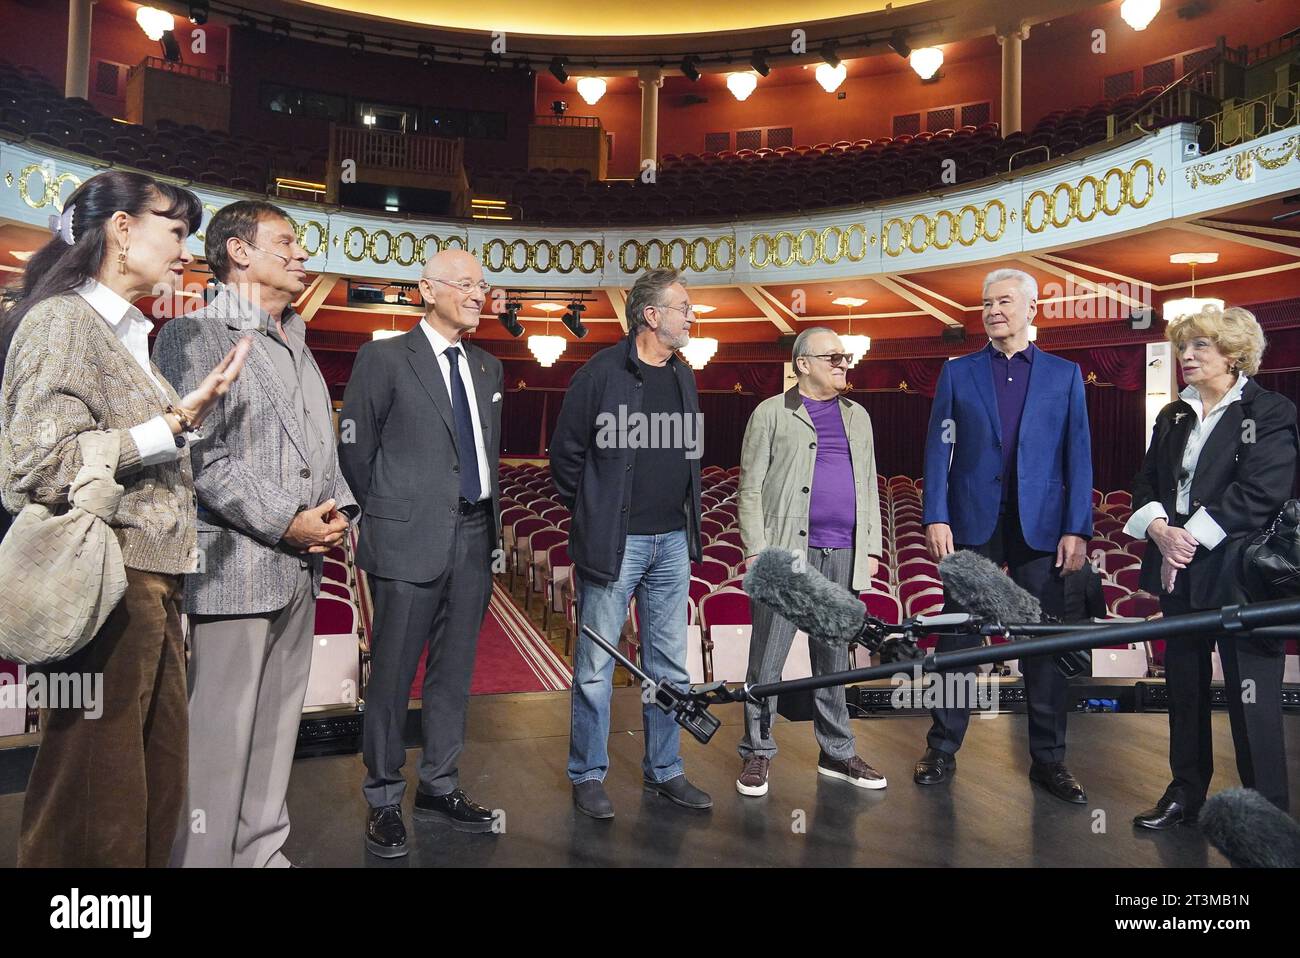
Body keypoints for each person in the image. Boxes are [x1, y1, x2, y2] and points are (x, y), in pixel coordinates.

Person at [0, 170, 249, 867]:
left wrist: (178, 423)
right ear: (121, 228)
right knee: (89, 801)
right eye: (175, 230)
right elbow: (35, 464)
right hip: (102, 582)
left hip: (150, 586)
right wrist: (171, 425)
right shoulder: (61, 321)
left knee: (148, 790)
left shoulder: (127, 331)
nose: (185, 250)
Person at [154, 200, 357, 868]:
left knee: (275, 728)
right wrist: (286, 521)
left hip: (302, 563)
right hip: (233, 567)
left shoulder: (296, 338)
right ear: (238, 251)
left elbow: (321, 447)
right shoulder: (192, 335)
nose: (302, 255)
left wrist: (335, 512)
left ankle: (261, 853)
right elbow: (202, 458)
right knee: (220, 735)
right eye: (287, 243)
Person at [338, 248, 503, 858]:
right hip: (406, 538)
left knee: (454, 674)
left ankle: (439, 784)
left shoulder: (488, 367)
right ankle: (382, 798)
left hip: (473, 536)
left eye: (482, 286)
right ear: (426, 291)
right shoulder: (383, 357)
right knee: (392, 677)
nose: (477, 294)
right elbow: (354, 447)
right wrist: (386, 511)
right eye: (464, 284)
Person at [918, 267, 1093, 803]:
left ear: (1032, 308)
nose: (993, 310)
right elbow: (936, 449)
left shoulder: (1065, 375)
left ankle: (1049, 761)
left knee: (1043, 640)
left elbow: (1079, 456)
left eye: (1004, 302)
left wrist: (1076, 527)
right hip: (971, 519)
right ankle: (942, 748)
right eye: (987, 303)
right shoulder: (957, 371)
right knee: (959, 638)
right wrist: (935, 515)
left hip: (1042, 526)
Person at [1126, 305, 1297, 828]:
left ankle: (1264, 813)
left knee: (1253, 700)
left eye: (1200, 346)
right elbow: (1147, 483)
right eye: (1183, 346)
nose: (1186, 355)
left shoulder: (1267, 411)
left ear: (1234, 353)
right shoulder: (1172, 414)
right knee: (1183, 685)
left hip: (1240, 574)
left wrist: (1186, 541)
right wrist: (1159, 530)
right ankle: (1186, 793)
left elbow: (1260, 493)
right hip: (1179, 568)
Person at [551, 267, 710, 819]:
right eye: (683, 307)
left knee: (670, 665)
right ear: (652, 315)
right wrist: (594, 511)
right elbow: (565, 456)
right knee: (596, 665)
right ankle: (588, 773)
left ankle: (665, 770)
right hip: (616, 545)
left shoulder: (684, 376)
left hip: (672, 544)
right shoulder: (600, 374)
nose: (692, 315)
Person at [735, 326, 886, 796]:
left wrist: (872, 548)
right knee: (767, 660)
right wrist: (758, 550)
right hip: (785, 555)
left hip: (842, 549)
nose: (845, 365)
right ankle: (758, 752)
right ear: (803, 364)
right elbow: (750, 486)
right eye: (834, 358)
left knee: (833, 658)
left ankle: (837, 753)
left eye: (846, 358)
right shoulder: (771, 412)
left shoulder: (858, 416)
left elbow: (867, 483)